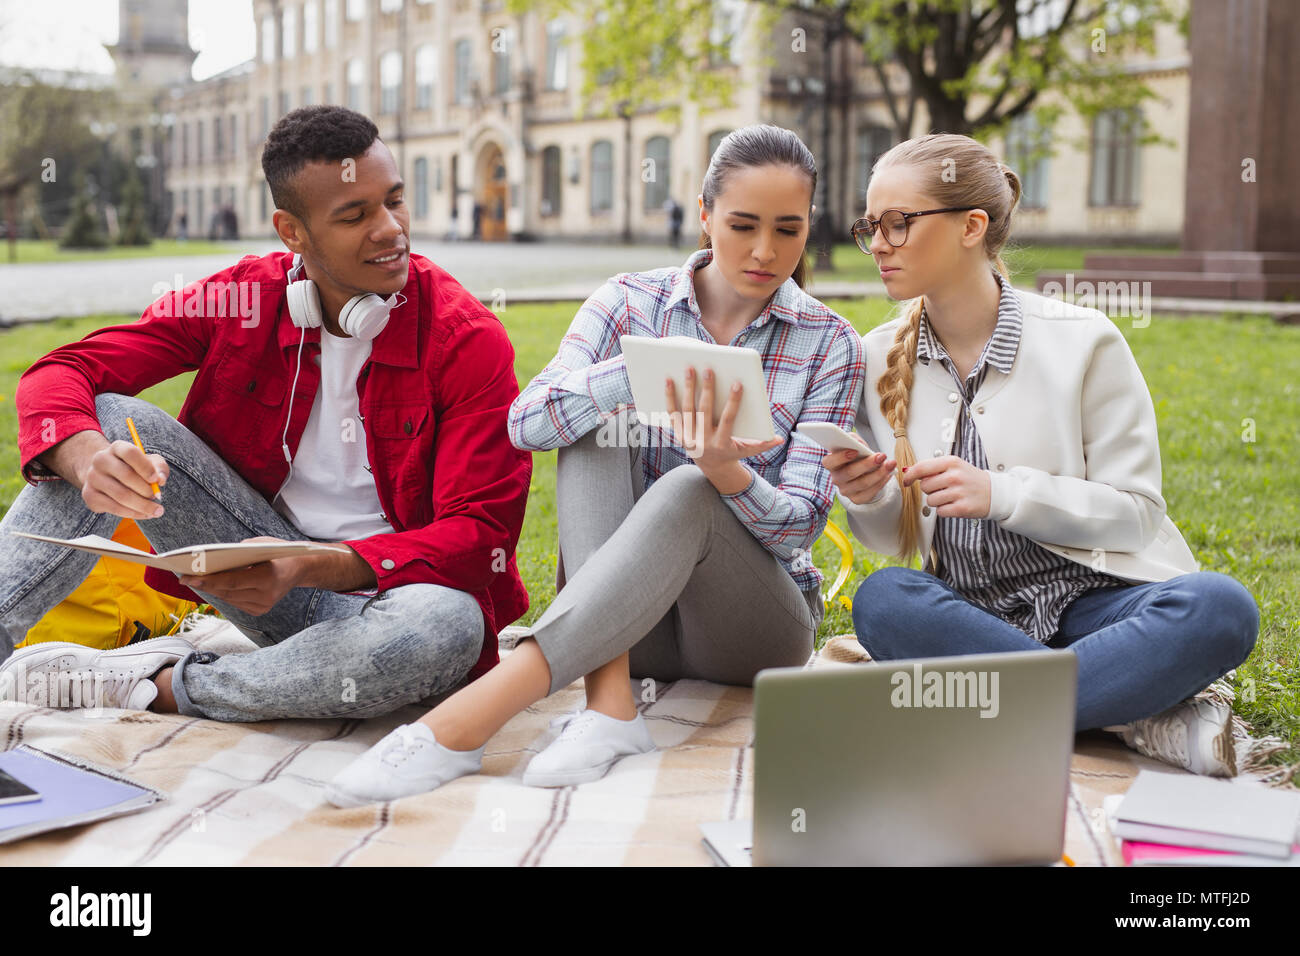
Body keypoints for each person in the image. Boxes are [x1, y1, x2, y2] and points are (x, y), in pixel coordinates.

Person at [325, 124, 866, 807]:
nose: (765, 251)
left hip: (752, 633)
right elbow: (527, 424)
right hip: (631, 631)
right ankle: (610, 709)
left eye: (788, 230)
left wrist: (728, 471)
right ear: (703, 215)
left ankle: (462, 726)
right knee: (587, 423)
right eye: (743, 225)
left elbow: (798, 532)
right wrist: (637, 374)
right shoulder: (628, 301)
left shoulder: (831, 344)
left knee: (694, 484)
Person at [0, 106, 531, 725]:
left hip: (383, 603)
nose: (391, 230)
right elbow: (63, 370)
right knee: (104, 420)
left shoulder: (465, 338)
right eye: (355, 215)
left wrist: (311, 563)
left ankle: (153, 686)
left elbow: (480, 534)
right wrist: (83, 454)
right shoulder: (244, 298)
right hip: (250, 571)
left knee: (449, 626)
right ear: (293, 232)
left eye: (394, 201)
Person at [825, 132, 1259, 777]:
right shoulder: (875, 354)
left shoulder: (1084, 341)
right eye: (871, 225)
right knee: (886, 599)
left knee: (1220, 608)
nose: (879, 244)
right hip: (968, 616)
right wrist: (871, 498)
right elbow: (899, 544)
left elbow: (1137, 513)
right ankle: (1131, 713)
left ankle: (1014, 704)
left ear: (972, 226)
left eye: (899, 223)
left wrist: (1004, 495)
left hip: (1097, 608)